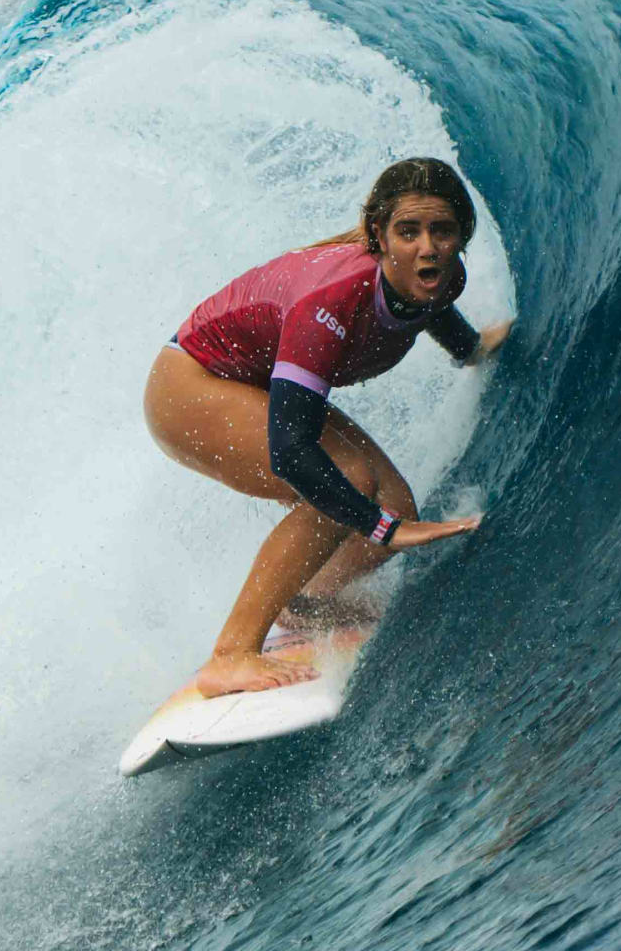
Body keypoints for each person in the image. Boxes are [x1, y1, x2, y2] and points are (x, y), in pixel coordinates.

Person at [146, 157, 514, 694]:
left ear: (463, 235)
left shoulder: (440, 276)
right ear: (379, 236)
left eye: (443, 231)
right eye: (408, 232)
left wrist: (473, 349)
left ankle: (303, 604)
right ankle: (231, 653)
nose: (427, 247)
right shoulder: (332, 305)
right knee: (349, 485)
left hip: (255, 382)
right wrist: (382, 529)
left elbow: (426, 307)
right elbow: (290, 453)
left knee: (393, 505)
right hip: (191, 384)